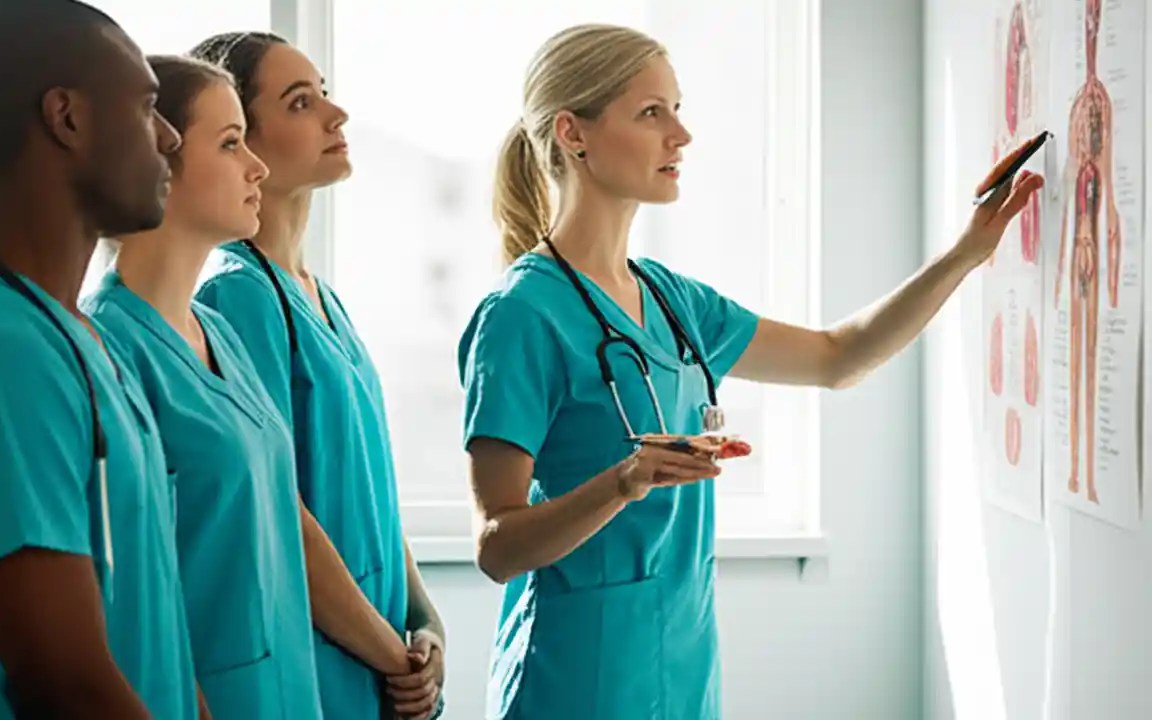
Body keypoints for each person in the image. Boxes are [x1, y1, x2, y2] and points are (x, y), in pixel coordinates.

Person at [458, 23, 1043, 720]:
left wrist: (966, 253)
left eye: (677, 108)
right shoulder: (521, 315)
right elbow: (497, 547)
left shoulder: (675, 302)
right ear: (572, 133)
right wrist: (625, 480)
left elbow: (838, 356)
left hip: (684, 663)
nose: (682, 134)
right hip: (574, 676)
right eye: (652, 113)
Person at [0, 1, 200, 718]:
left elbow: (148, 633)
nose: (170, 136)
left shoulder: (74, 338)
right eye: (148, 105)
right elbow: (67, 683)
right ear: (68, 117)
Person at [189, 32, 446, 720]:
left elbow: (372, 491)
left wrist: (425, 623)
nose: (337, 117)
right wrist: (391, 655)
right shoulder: (238, 297)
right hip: (323, 656)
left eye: (325, 94)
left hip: (382, 654)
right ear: (240, 134)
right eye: (302, 102)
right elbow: (281, 516)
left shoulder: (321, 297)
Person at [80, 55, 324, 719]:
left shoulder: (219, 331)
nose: (258, 167)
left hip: (287, 689)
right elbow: (121, 595)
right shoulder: (109, 347)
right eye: (230, 143)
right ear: (157, 156)